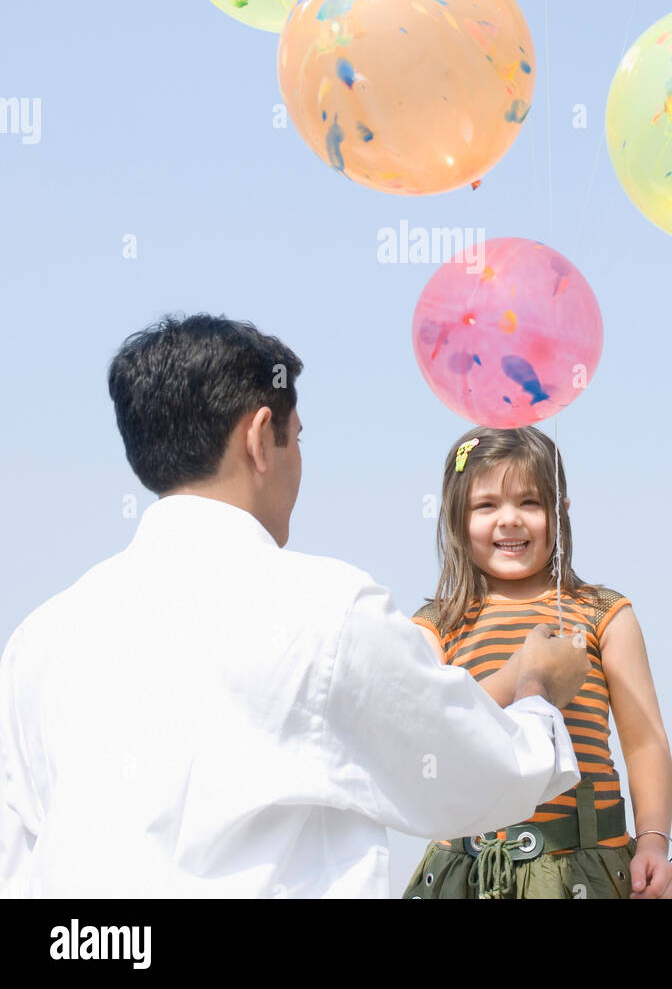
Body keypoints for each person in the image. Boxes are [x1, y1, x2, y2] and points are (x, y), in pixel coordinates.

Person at [0, 314, 591, 900]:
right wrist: (538, 690)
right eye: (298, 436)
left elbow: (17, 862)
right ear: (260, 438)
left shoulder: (40, 638)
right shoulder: (326, 611)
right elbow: (471, 775)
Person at [402, 426, 672, 900]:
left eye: (530, 503)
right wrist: (520, 676)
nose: (509, 520)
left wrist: (653, 843)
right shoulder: (435, 626)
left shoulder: (602, 614)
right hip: (463, 868)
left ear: (561, 514)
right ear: (455, 519)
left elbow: (645, 744)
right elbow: (426, 731)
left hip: (584, 864)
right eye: (486, 505)